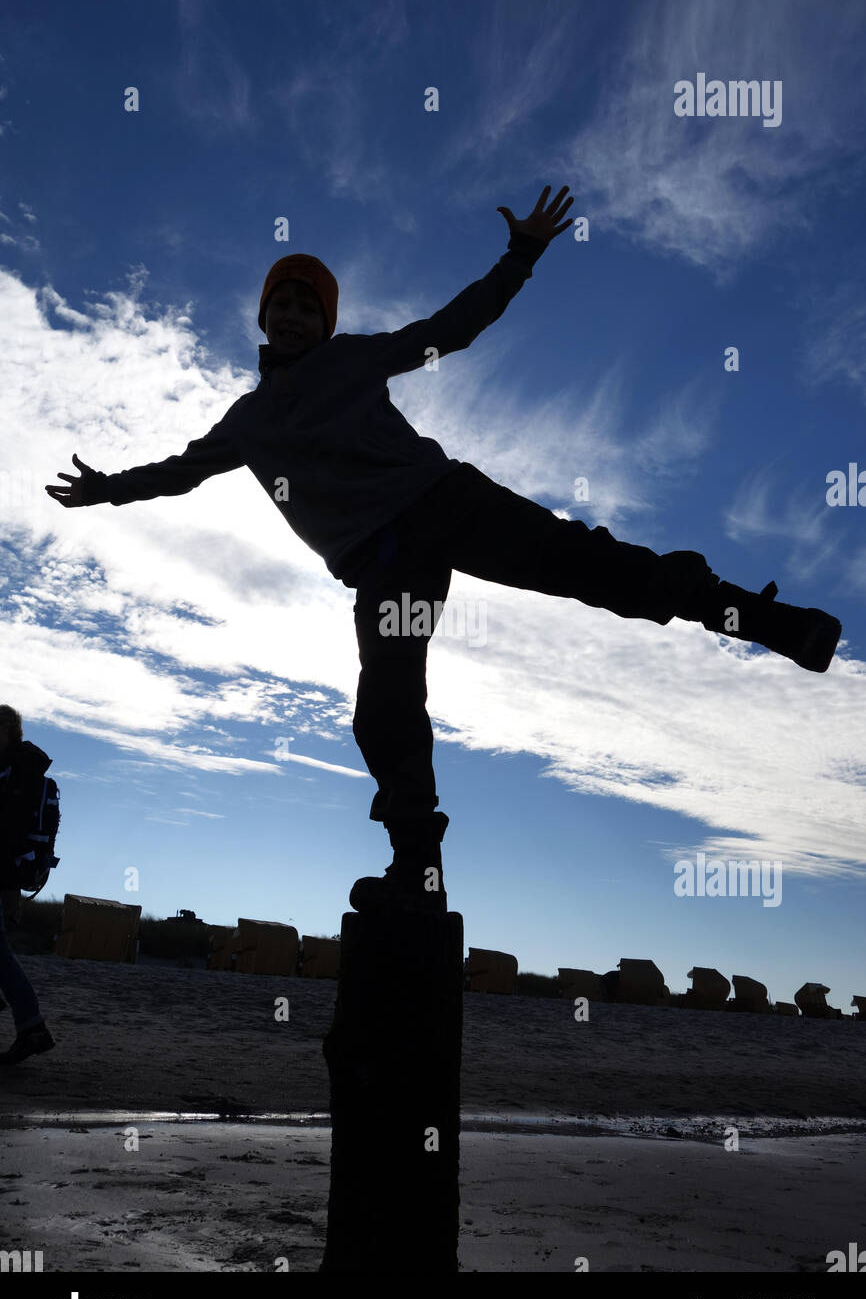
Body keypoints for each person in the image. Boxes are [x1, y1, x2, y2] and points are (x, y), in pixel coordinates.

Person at [44, 185, 841, 918]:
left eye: (304, 305)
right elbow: (179, 473)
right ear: (261, 319)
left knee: (599, 569)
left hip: (448, 504)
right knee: (384, 708)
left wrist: (520, 256)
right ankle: (417, 872)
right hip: (387, 564)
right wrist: (106, 488)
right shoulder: (247, 423)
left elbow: (449, 332)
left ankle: (778, 623)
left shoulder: (353, 357)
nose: (290, 316)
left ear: (324, 320)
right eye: (279, 304)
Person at [0, 705, 56, 1064]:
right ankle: (30, 1028)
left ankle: (32, 1029)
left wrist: (10, 887)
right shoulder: (16, 771)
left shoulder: (16, 774)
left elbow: (9, 834)